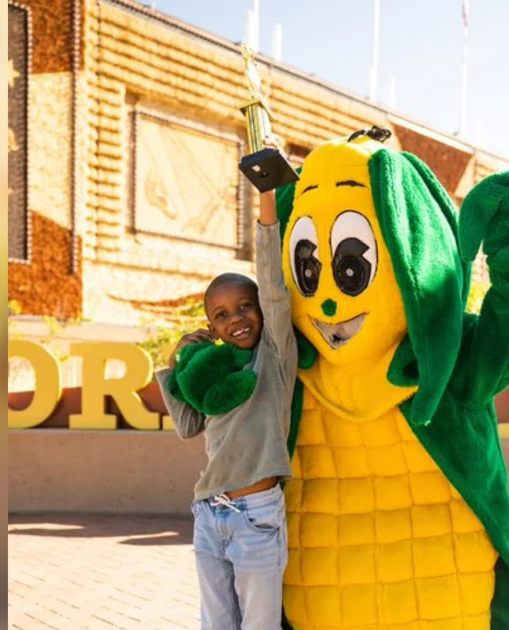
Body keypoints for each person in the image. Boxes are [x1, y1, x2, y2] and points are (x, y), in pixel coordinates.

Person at [154, 148, 296, 630]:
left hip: (257, 517)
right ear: (212, 327)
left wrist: (268, 198)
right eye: (222, 315)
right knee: (216, 625)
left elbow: (275, 285)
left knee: (258, 626)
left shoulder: (272, 358)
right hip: (208, 513)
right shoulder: (213, 372)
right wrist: (173, 366)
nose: (236, 319)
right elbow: (188, 427)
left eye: (244, 307)